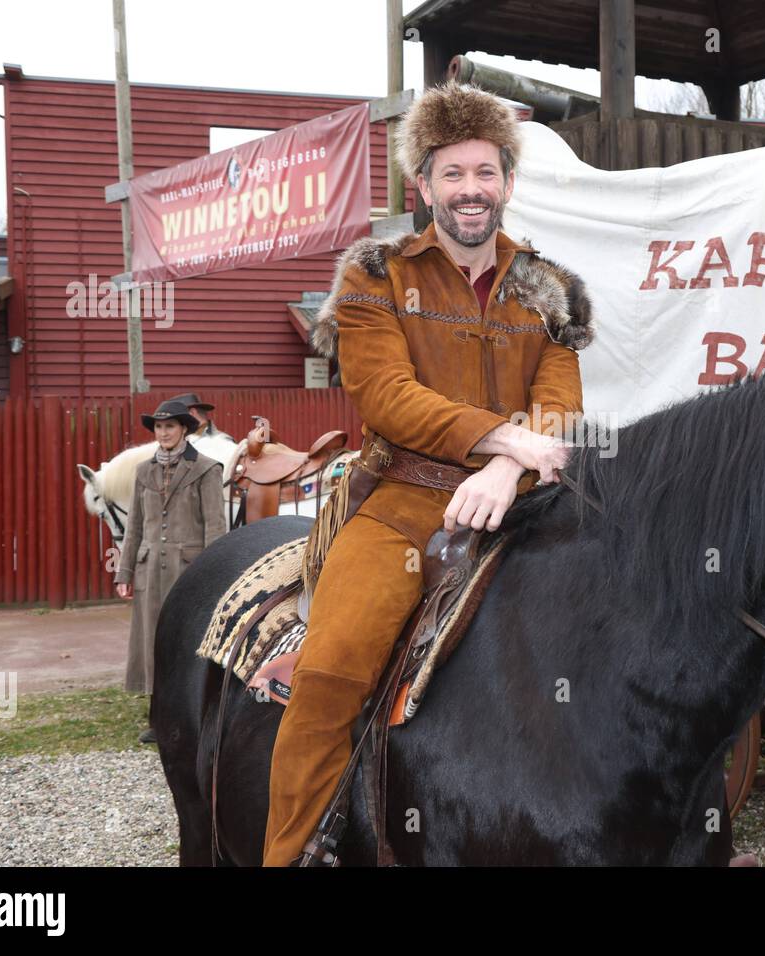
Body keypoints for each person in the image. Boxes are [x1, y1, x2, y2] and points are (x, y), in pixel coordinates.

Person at [262, 81, 595, 865]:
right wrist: (503, 444)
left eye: (485, 172)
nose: (470, 189)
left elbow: (560, 404)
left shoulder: (553, 289)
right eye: (452, 174)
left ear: (508, 182)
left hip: (529, 504)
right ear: (424, 186)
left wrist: (508, 475)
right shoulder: (373, 276)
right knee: (332, 675)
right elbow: (388, 397)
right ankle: (287, 855)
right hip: (402, 505)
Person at [114, 399, 227, 743]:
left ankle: (192, 715)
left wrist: (214, 577)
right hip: (150, 571)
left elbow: (215, 527)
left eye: (170, 427)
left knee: (187, 641)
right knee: (152, 642)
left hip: (188, 569)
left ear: (184, 430)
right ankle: (158, 719)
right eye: (158, 427)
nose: (163, 433)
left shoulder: (207, 469)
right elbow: (134, 525)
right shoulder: (143, 471)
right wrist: (125, 572)